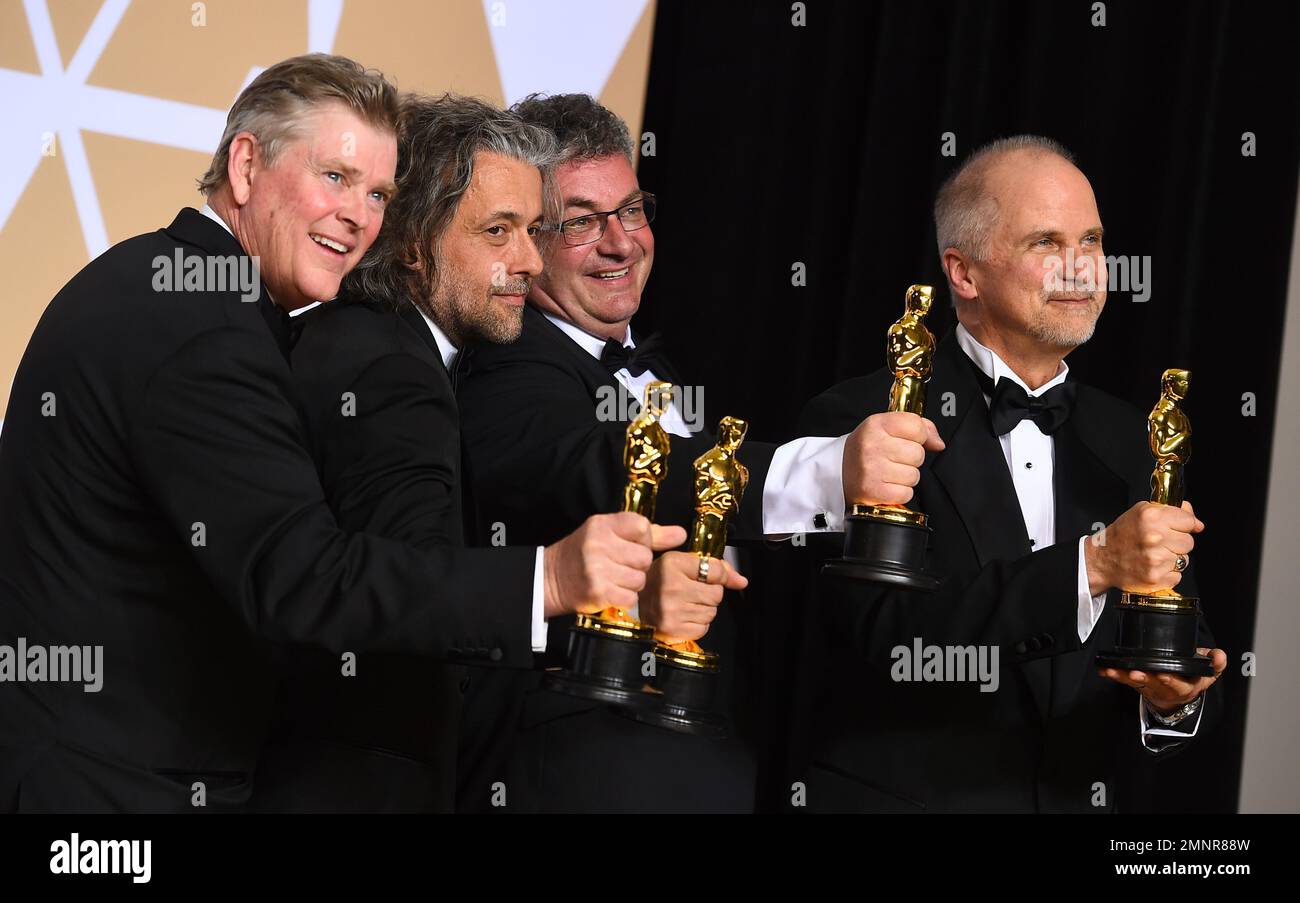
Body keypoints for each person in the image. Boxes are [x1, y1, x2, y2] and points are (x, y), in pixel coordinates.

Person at [0, 57, 668, 813]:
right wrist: (546, 580)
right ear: (246, 165)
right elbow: (302, 576)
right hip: (106, 792)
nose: (359, 215)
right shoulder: (202, 327)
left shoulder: (176, 287)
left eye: (378, 191)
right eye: (336, 177)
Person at [454, 94, 932, 812]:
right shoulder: (505, 366)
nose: (621, 242)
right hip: (585, 767)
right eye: (582, 220)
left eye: (632, 209)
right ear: (528, 237)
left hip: (701, 756)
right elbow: (602, 466)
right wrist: (826, 471)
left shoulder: (656, 368)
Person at [793, 135, 1227, 812]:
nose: (1080, 270)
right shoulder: (862, 421)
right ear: (963, 274)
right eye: (1047, 243)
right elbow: (889, 635)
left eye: (1092, 241)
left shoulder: (1134, 439)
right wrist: (1091, 565)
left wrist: (1173, 700)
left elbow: (1181, 646)